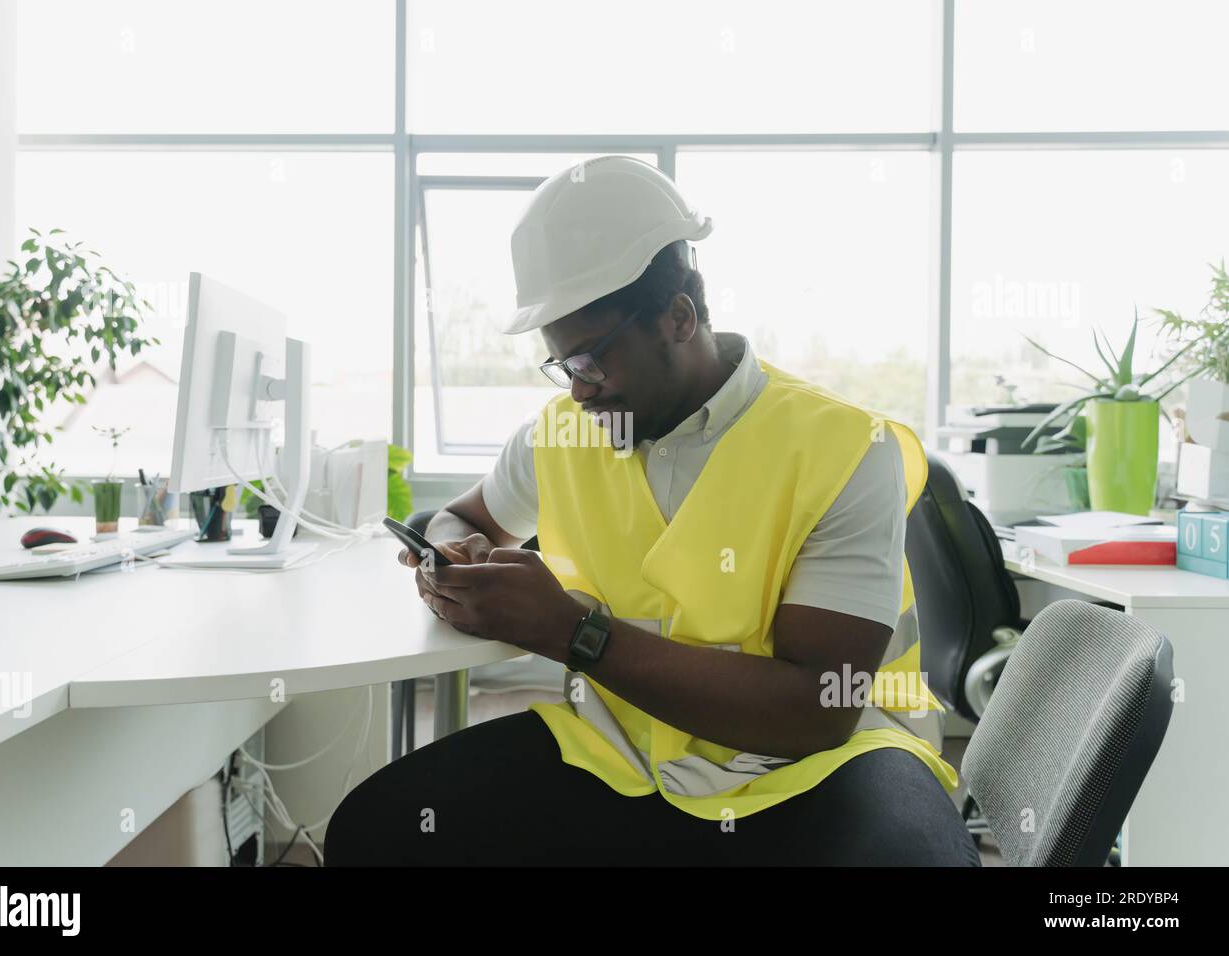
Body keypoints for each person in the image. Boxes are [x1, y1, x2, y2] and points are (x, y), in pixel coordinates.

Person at [325, 156, 979, 866]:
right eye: (562, 366)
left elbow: (815, 708)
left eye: (590, 361)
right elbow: (461, 519)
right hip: (622, 754)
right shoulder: (563, 432)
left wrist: (574, 633)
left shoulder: (845, 446)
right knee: (379, 831)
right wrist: (456, 557)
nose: (578, 391)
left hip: (821, 767)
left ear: (679, 315)